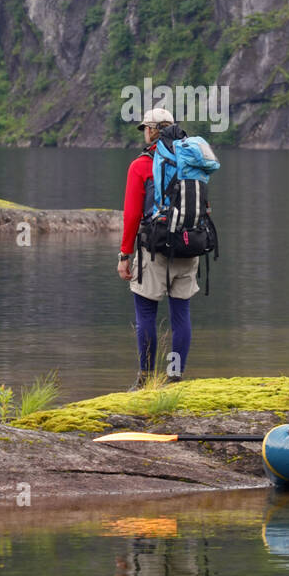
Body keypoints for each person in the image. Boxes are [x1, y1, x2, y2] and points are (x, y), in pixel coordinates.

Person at [117, 106, 199, 389]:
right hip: (189, 244)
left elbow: (131, 215)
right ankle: (175, 376)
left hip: (153, 248)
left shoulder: (140, 165)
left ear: (152, 130)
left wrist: (124, 255)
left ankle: (145, 379)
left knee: (146, 314)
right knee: (181, 314)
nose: (144, 134)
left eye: (146, 129)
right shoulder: (191, 158)